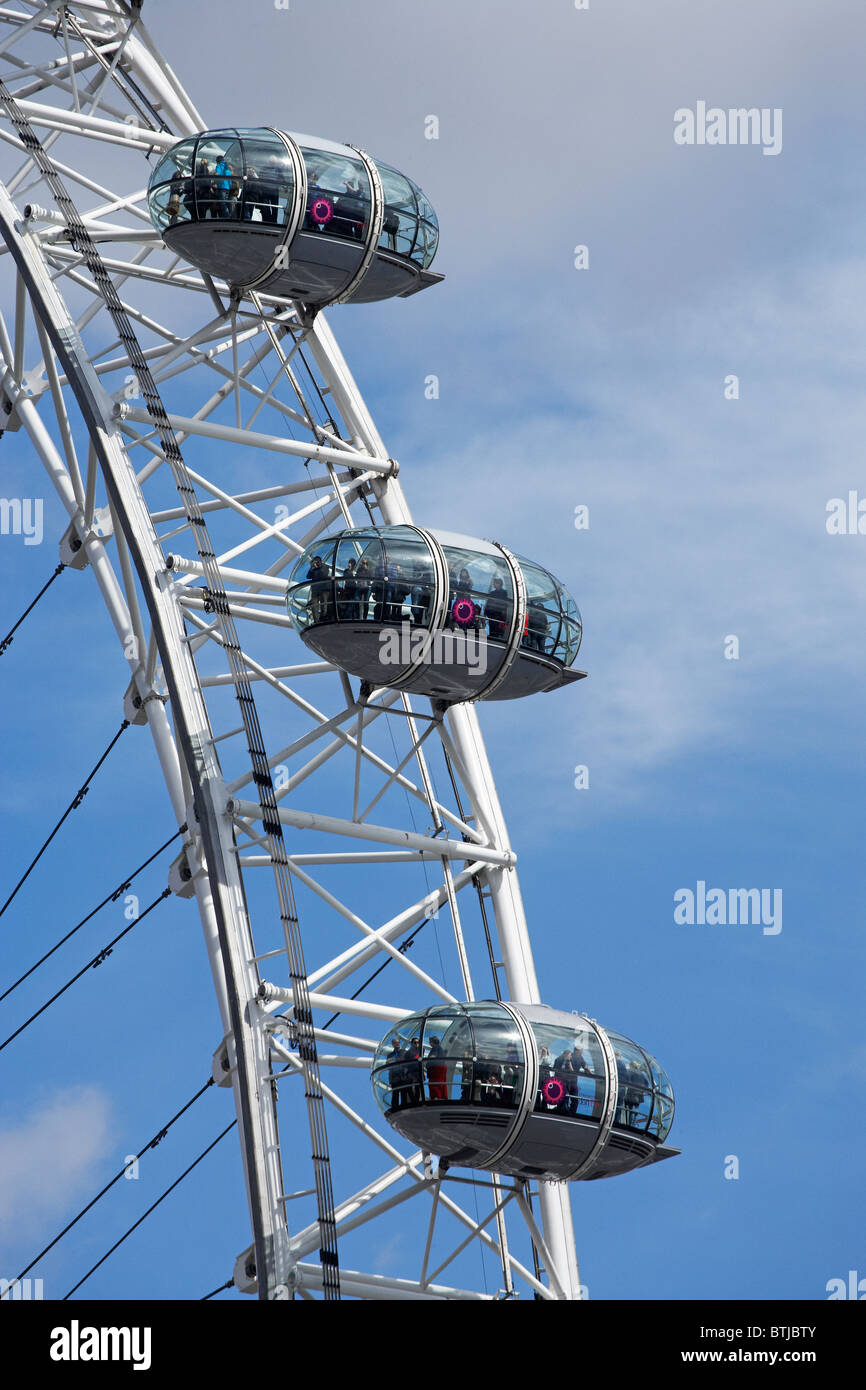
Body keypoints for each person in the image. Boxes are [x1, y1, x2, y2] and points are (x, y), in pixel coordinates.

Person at [306, 554, 331, 624]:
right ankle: (316, 621)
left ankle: (323, 619)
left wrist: (316, 568)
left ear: (319, 561)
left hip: (324, 589)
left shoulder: (325, 567)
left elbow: (323, 574)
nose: (315, 563)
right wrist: (311, 568)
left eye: (316, 562)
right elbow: (308, 576)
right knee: (314, 606)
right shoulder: (313, 569)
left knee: (324, 606)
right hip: (315, 590)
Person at [484, 576, 509, 641]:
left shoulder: (504, 593)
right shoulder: (492, 593)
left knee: (499, 633)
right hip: (492, 616)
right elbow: (488, 603)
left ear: (500, 584)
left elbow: (505, 604)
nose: (495, 584)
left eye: (496, 583)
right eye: (495, 583)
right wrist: (486, 612)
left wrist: (504, 615)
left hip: (500, 617)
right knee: (492, 632)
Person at [425, 1035, 448, 1102]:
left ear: (432, 1042)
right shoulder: (440, 1049)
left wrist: (427, 1064)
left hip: (436, 1069)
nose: (429, 1043)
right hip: (441, 1068)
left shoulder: (435, 1048)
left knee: (434, 1084)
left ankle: (436, 1097)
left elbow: (432, 1058)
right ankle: (441, 1097)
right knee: (441, 1084)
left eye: (430, 1042)